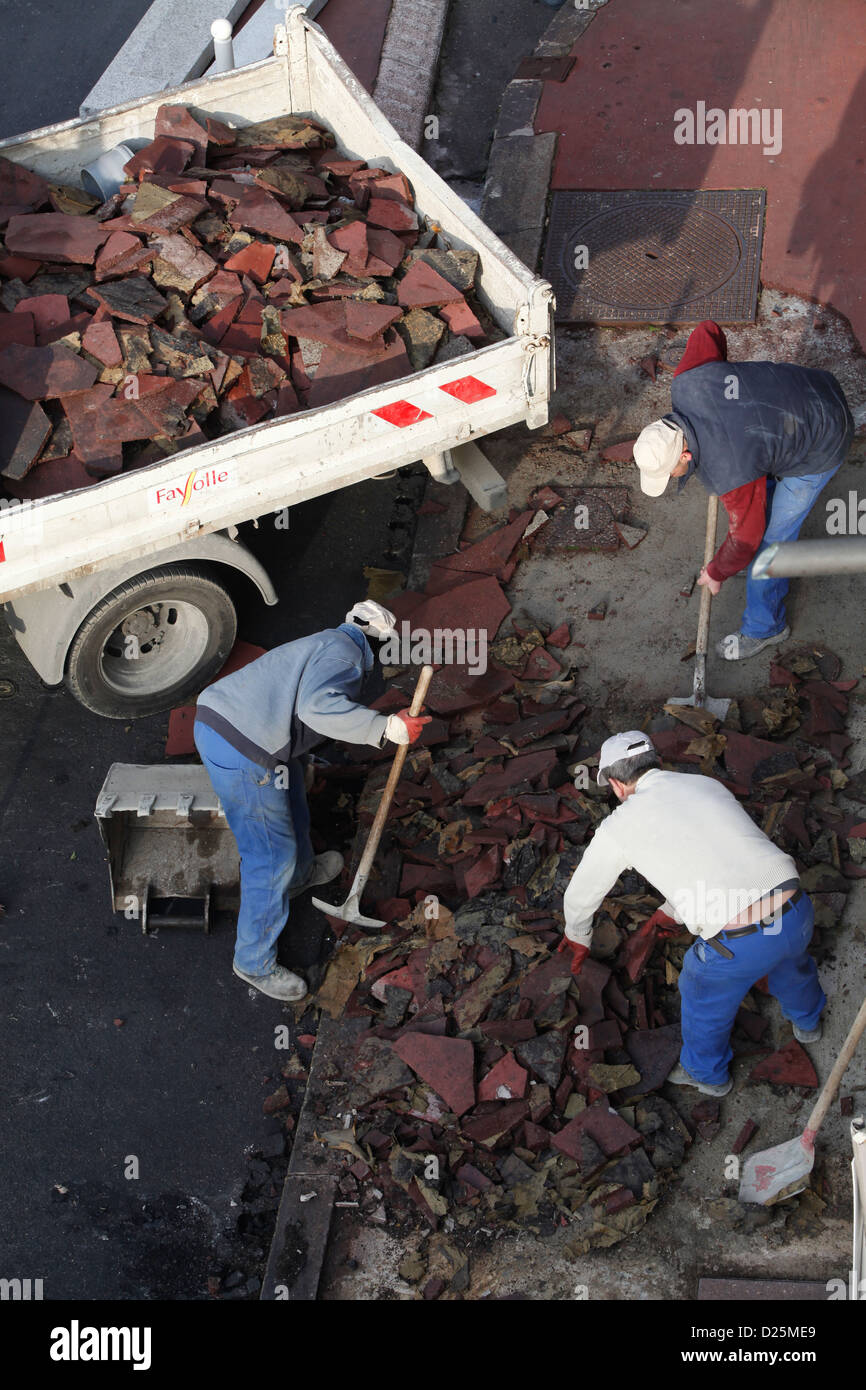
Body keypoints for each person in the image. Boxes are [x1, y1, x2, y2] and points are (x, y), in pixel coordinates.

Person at [558, 732, 826, 1097]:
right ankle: (809, 1022)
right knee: (790, 965)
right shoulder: (705, 784)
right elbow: (719, 856)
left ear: (618, 785)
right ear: (657, 763)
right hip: (796, 910)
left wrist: (578, 936)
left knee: (702, 997)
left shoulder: (619, 827)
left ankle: (708, 1076)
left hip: (739, 945)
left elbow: (581, 894)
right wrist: (673, 912)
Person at [193, 601, 430, 1001]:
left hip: (234, 721)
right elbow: (317, 708)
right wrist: (386, 726)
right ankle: (253, 962)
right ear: (376, 644)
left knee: (294, 799)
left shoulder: (330, 640)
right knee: (269, 856)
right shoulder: (349, 657)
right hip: (243, 746)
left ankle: (301, 875)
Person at [632, 320, 854, 660]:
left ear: (685, 455)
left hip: (824, 439)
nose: (674, 477)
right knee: (756, 484)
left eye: (671, 471)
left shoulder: (729, 470)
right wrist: (721, 376)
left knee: (769, 546)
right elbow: (707, 330)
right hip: (814, 387)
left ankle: (766, 628)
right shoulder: (687, 382)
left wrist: (718, 571)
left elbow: (746, 539)